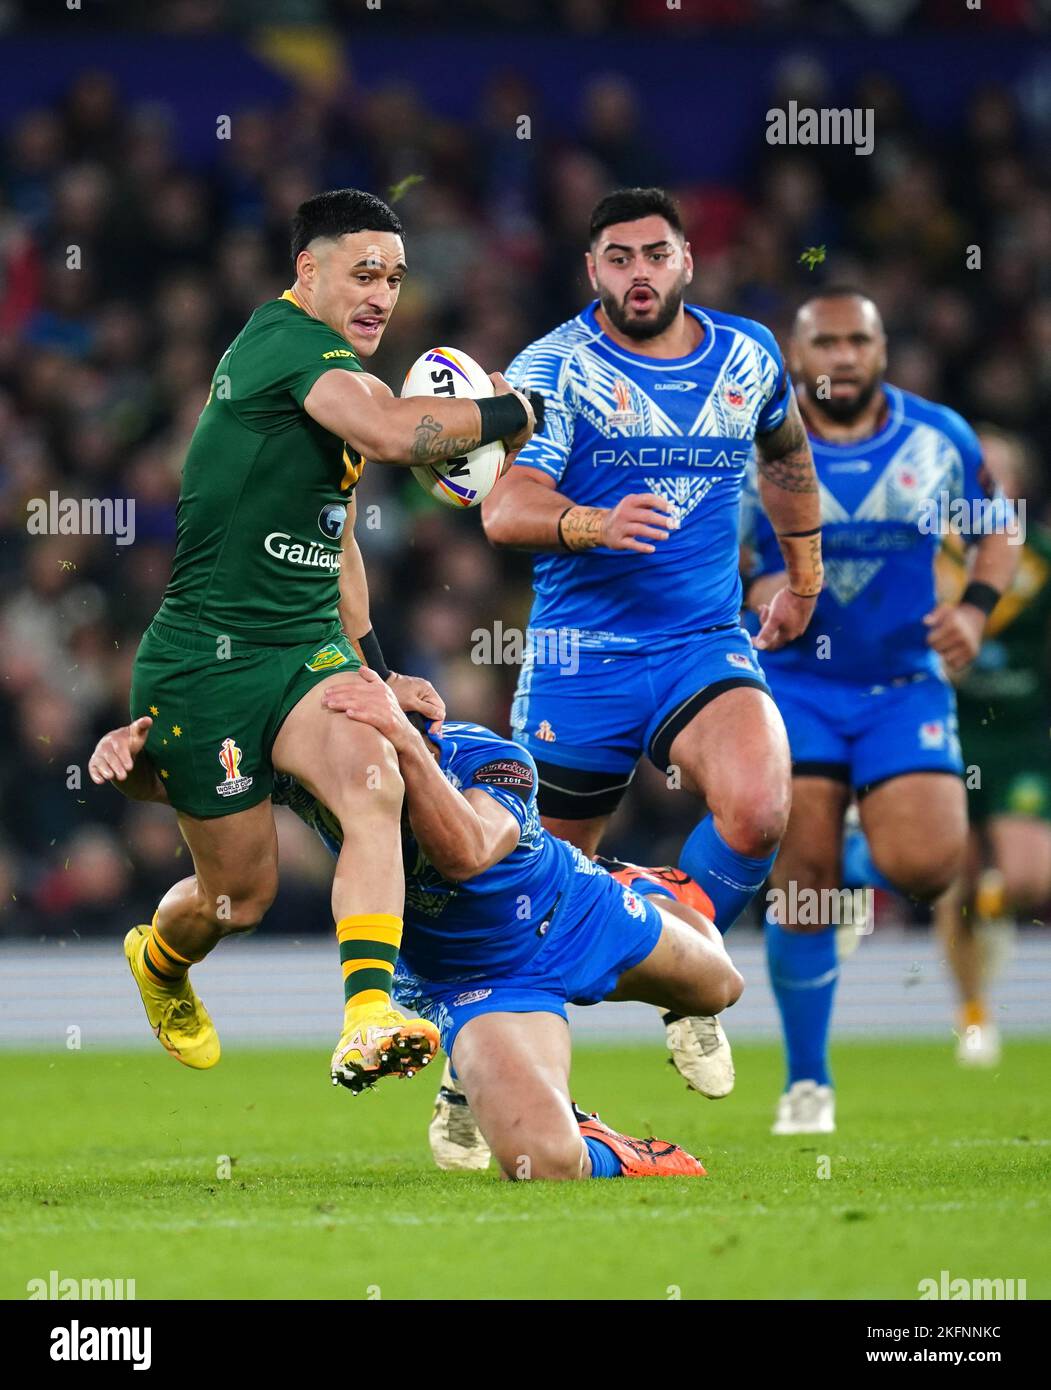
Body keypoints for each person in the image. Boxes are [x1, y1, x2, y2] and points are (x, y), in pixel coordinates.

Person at [90, 187, 535, 1093]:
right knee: (237, 898)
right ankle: (161, 961)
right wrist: (512, 412)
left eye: (396, 278)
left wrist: (376, 676)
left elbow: (333, 548)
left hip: (301, 650)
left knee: (375, 778)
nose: (381, 294)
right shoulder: (285, 347)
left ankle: (369, 1012)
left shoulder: (338, 378)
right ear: (308, 270)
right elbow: (391, 431)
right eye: (363, 272)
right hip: (202, 660)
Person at [90, 674, 743, 1181]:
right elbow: (207, 789)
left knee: (720, 985)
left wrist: (403, 744)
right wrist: (137, 769)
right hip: (475, 984)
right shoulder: (326, 773)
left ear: (426, 732)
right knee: (544, 1162)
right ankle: (601, 1139)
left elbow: (468, 851)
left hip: (575, 911)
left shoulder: (495, 758)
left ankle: (639, 884)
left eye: (390, 741)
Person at [481, 186, 822, 1097]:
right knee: (530, 896)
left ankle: (687, 970)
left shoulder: (747, 354)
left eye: (655, 255)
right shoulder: (554, 369)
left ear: (686, 261)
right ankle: (467, 1080)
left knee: (758, 808)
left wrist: (805, 575)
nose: (640, 274)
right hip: (577, 662)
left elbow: (786, 455)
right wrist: (592, 523)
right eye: (620, 259)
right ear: (591, 269)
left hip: (698, 642)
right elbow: (503, 508)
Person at [740, 289, 1018, 1134]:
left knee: (929, 872)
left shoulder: (937, 435)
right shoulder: (756, 447)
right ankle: (806, 1083)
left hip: (903, 685)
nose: (843, 357)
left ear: (882, 351)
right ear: (798, 357)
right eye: (825, 342)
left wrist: (971, 608)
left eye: (857, 340)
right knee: (801, 889)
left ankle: (860, 850)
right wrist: (754, 588)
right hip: (798, 688)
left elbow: (995, 527)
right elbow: (725, 555)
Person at [933, 427, 1051, 1067]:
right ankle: (973, 1014)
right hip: (946, 729)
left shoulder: (1041, 559)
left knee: (1030, 878)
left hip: (1021, 730)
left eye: (1001, 477)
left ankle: (995, 905)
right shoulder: (932, 556)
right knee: (955, 882)